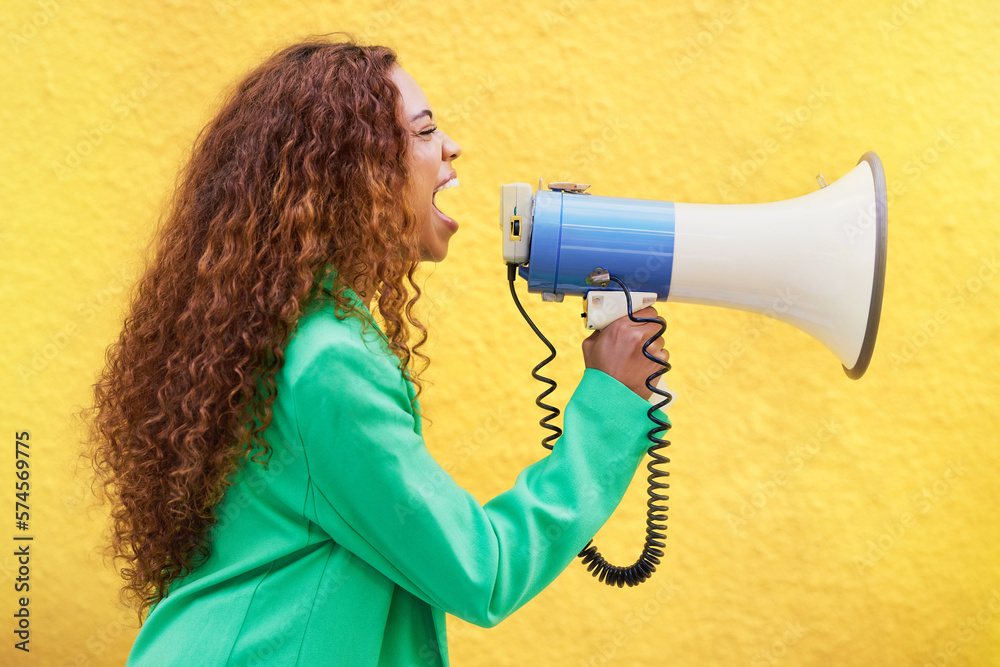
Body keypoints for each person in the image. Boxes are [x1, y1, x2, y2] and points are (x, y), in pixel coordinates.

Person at [87, 36, 668, 666]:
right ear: (354, 173)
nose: (450, 147)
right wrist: (610, 406)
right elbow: (483, 572)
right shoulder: (330, 363)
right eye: (423, 132)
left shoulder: (290, 336)